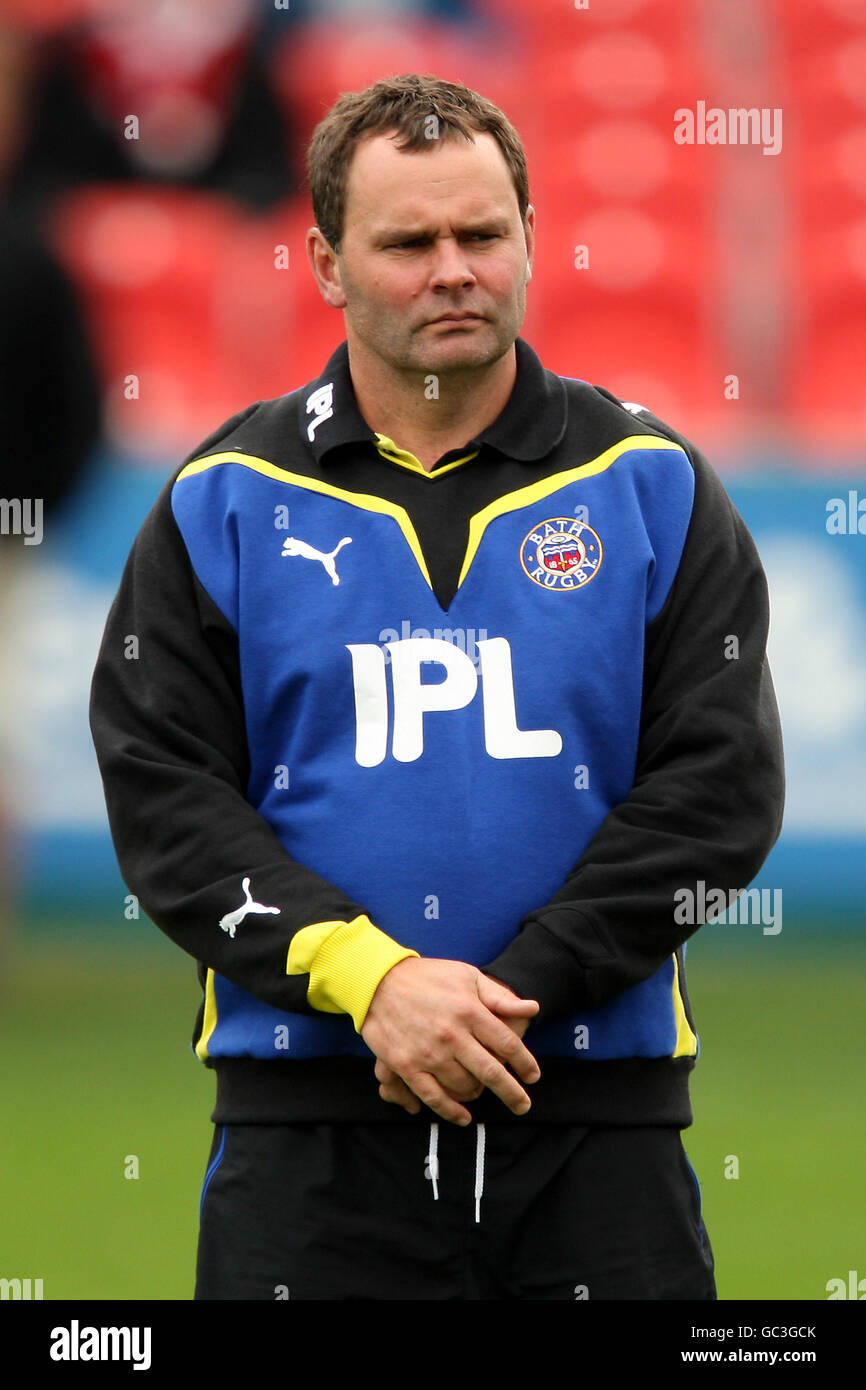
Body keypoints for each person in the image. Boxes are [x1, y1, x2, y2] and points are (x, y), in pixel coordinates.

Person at [89, 73, 784, 1301]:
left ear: (529, 235)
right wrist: (375, 982)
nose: (452, 268)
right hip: (306, 1143)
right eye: (407, 242)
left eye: (482, 233)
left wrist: (500, 999)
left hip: (595, 1138)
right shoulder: (221, 500)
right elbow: (166, 797)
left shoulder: (653, 484)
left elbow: (715, 793)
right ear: (324, 263)